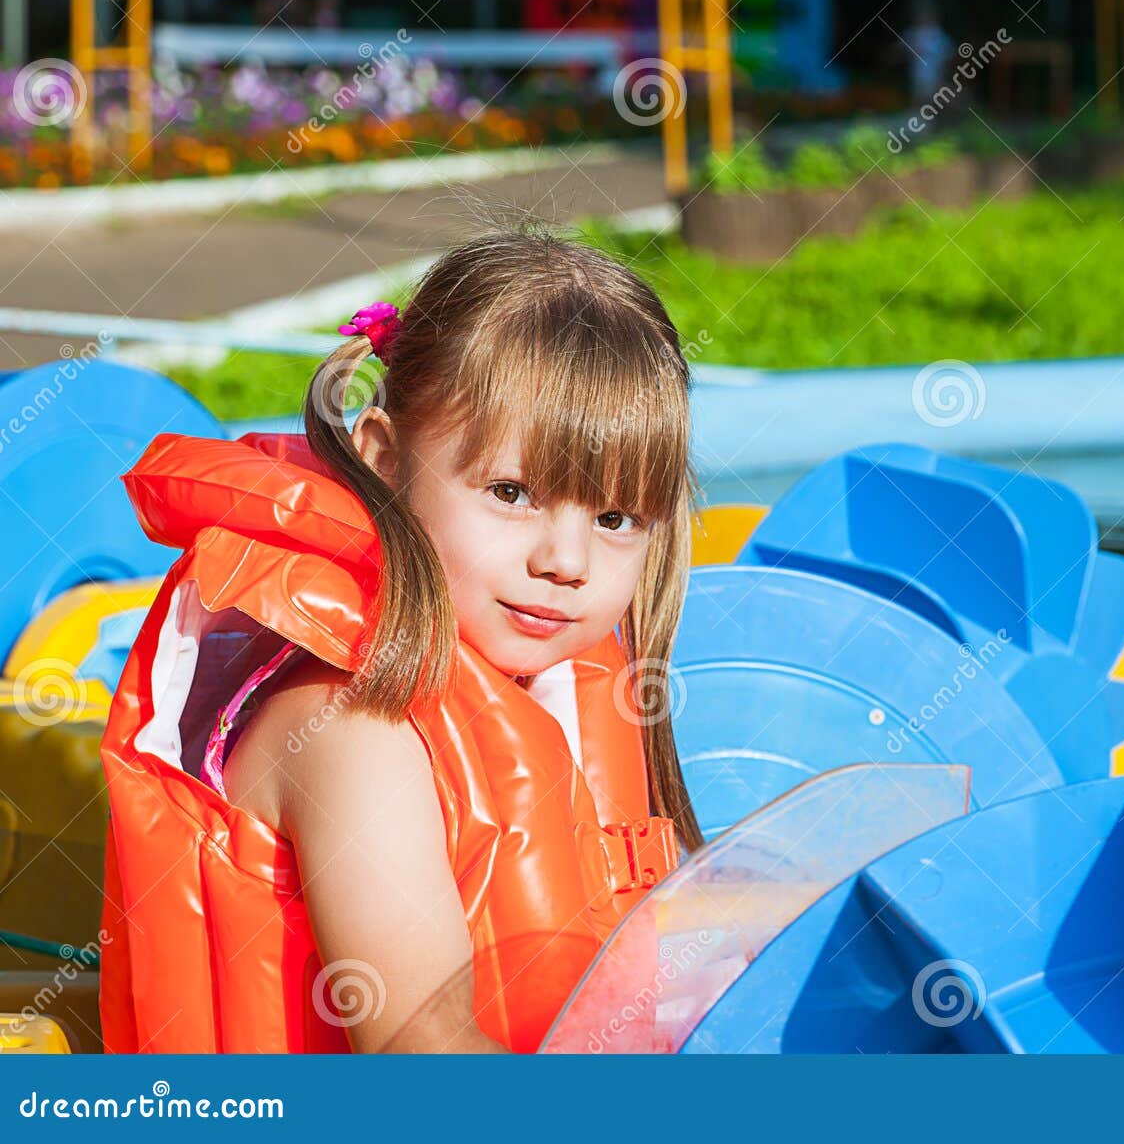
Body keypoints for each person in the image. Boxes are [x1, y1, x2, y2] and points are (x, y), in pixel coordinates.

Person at [97, 224, 703, 1053]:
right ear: (383, 459)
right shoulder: (356, 732)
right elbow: (429, 1050)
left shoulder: (548, 677)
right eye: (513, 491)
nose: (566, 560)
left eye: (613, 516)